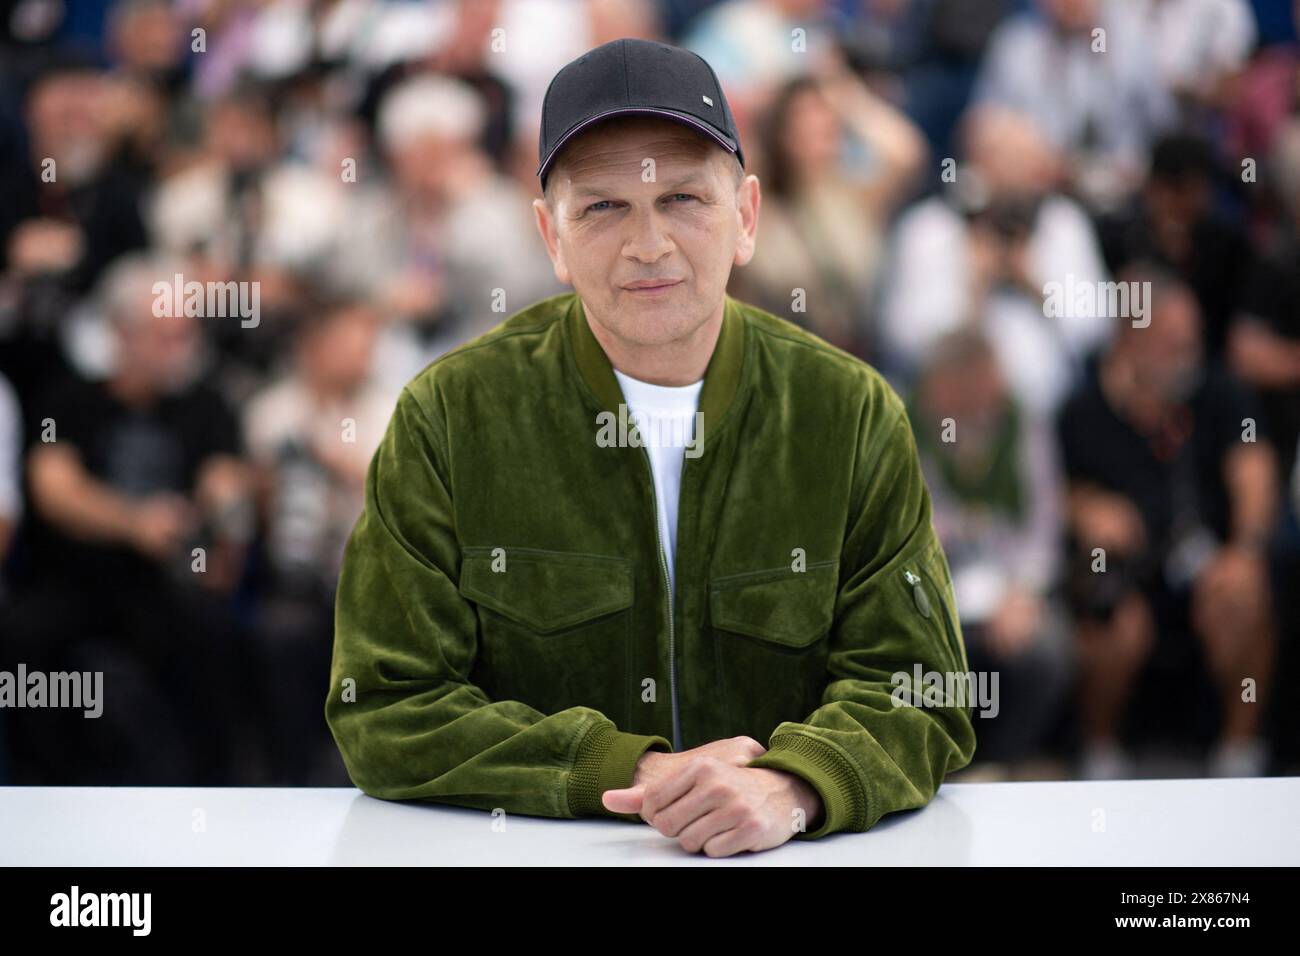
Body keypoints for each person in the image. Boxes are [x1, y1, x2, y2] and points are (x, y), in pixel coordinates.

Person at [326, 37, 975, 857]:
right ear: (549, 236)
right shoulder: (449, 416)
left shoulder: (849, 414)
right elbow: (384, 705)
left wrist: (798, 783)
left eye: (683, 200)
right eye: (602, 207)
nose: (648, 244)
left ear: (745, 216)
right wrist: (633, 771)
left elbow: (924, 692)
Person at [1058, 269, 1278, 778]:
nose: (1188, 355)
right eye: (1172, 344)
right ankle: (1100, 751)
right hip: (1121, 572)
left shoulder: (1221, 394)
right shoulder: (1083, 410)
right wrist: (1086, 508)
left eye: (1192, 342)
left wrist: (1246, 549)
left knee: (1242, 595)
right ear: (1130, 343)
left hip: (1207, 564)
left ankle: (1239, 753)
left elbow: (1254, 469)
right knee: (1114, 622)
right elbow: (1052, 493)